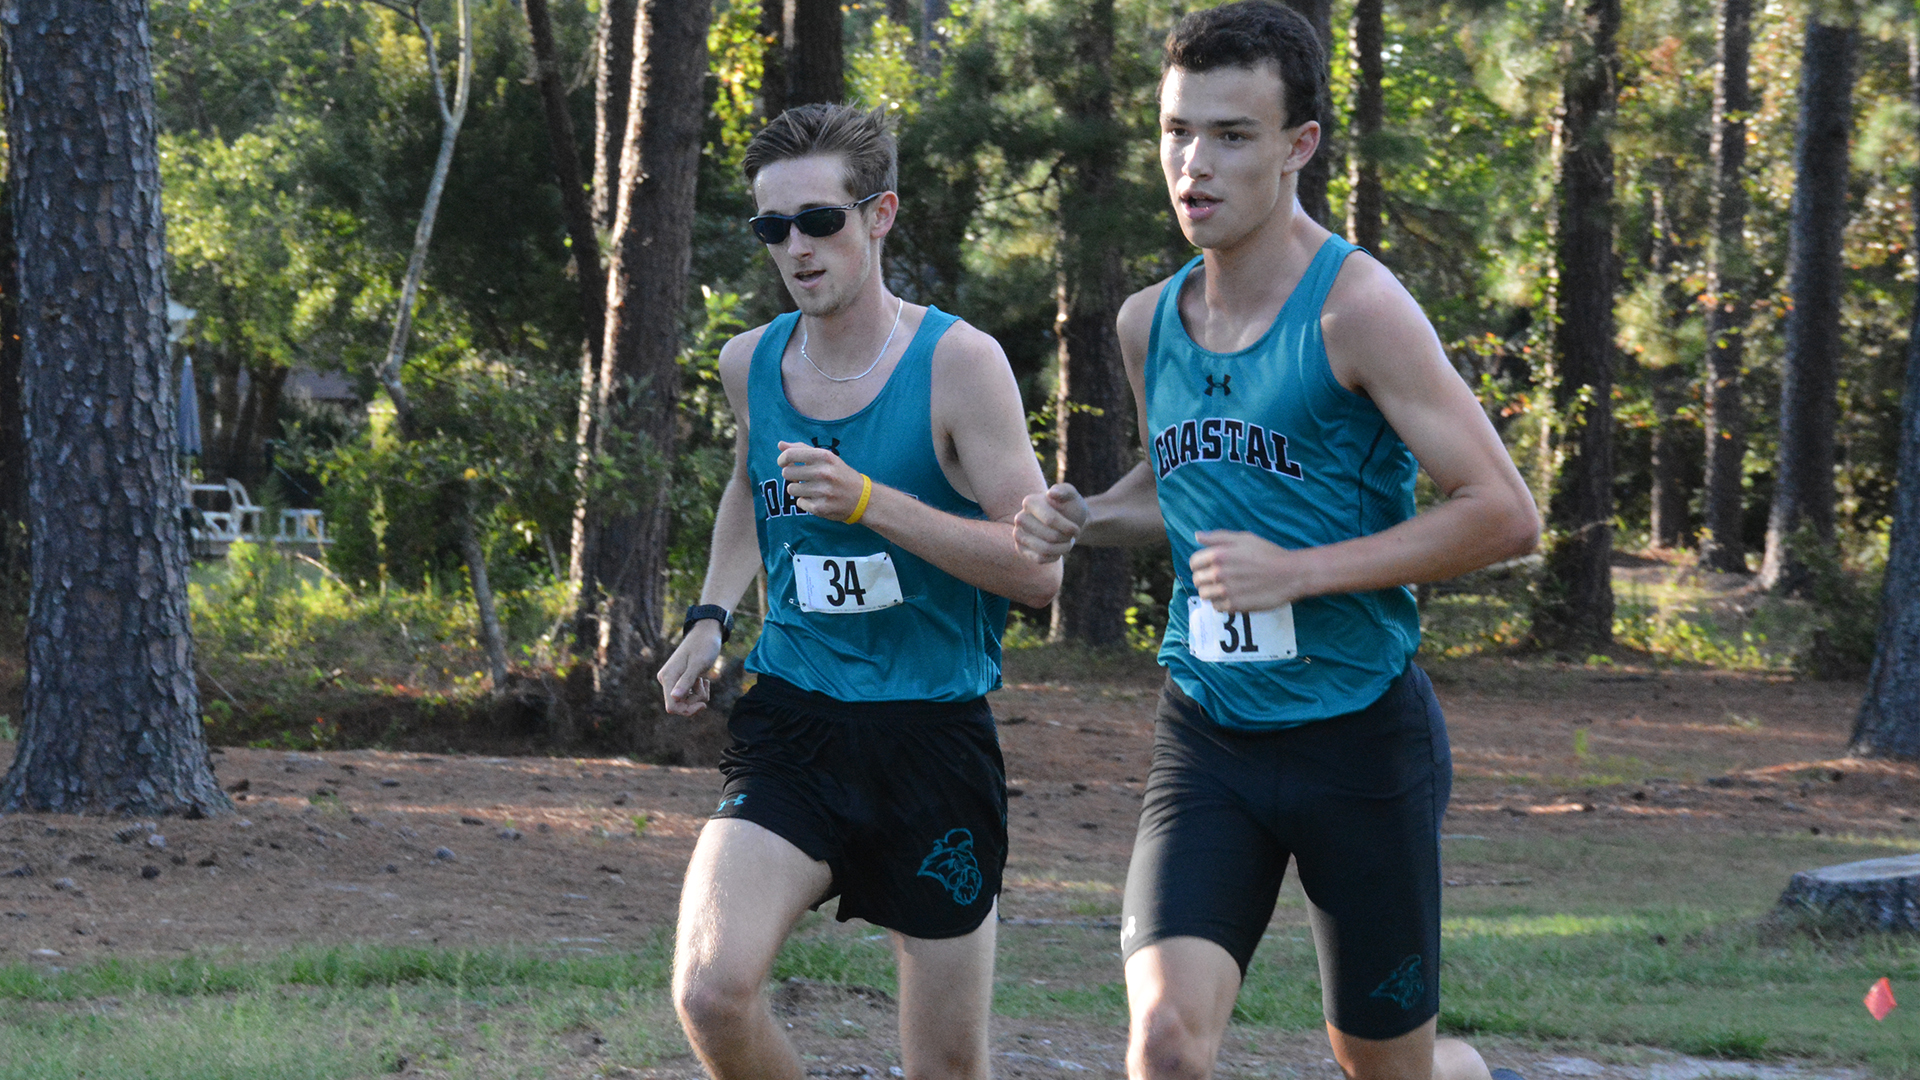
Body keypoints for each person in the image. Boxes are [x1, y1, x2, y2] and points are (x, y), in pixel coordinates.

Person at [1013, 4, 1540, 1080]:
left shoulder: (1359, 309)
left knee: (1386, 1067)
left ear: (1299, 146)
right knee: (1164, 1041)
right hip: (1207, 731)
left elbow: (1502, 511)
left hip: (1359, 739)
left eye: (1231, 135)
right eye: (1175, 131)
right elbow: (1187, 491)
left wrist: (1295, 574)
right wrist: (1084, 516)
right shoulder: (1145, 320)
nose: (1192, 164)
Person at [655, 103, 1061, 1080]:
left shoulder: (960, 366)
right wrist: (712, 615)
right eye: (772, 228)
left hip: (932, 735)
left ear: (878, 218)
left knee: (948, 1068)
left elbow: (1038, 570)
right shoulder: (750, 362)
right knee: (709, 990)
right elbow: (751, 490)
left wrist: (874, 503)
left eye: (820, 221)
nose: (796, 248)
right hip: (797, 721)